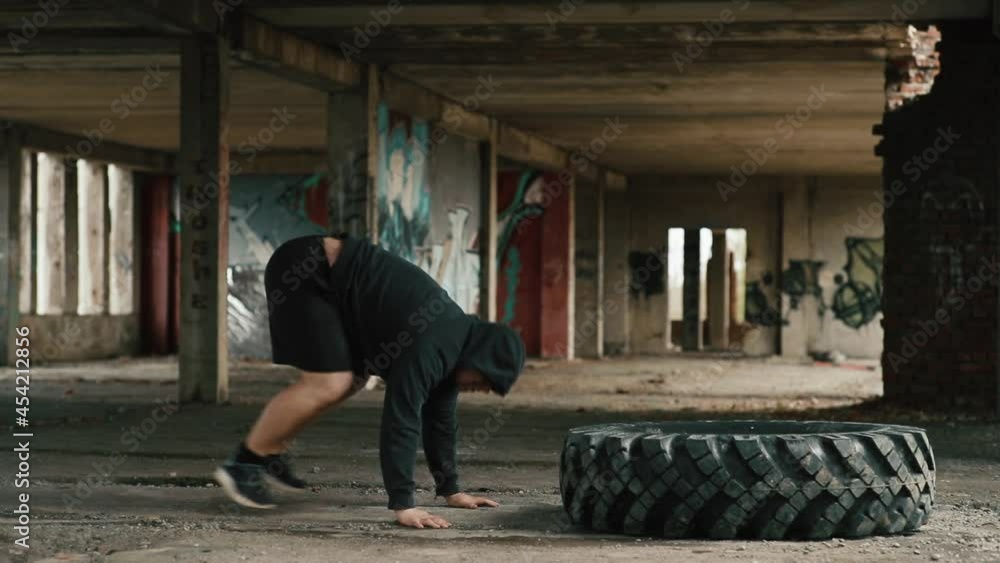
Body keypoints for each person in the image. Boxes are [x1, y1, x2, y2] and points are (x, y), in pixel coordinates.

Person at [214, 234, 526, 529]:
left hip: (335, 290)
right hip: (308, 269)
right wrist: (403, 504)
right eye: (487, 380)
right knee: (330, 383)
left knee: (350, 381)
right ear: (480, 358)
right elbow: (400, 420)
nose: (483, 389)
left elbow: (440, 423)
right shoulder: (434, 346)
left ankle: (268, 450)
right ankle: (244, 463)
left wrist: (452, 491)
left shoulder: (454, 349)